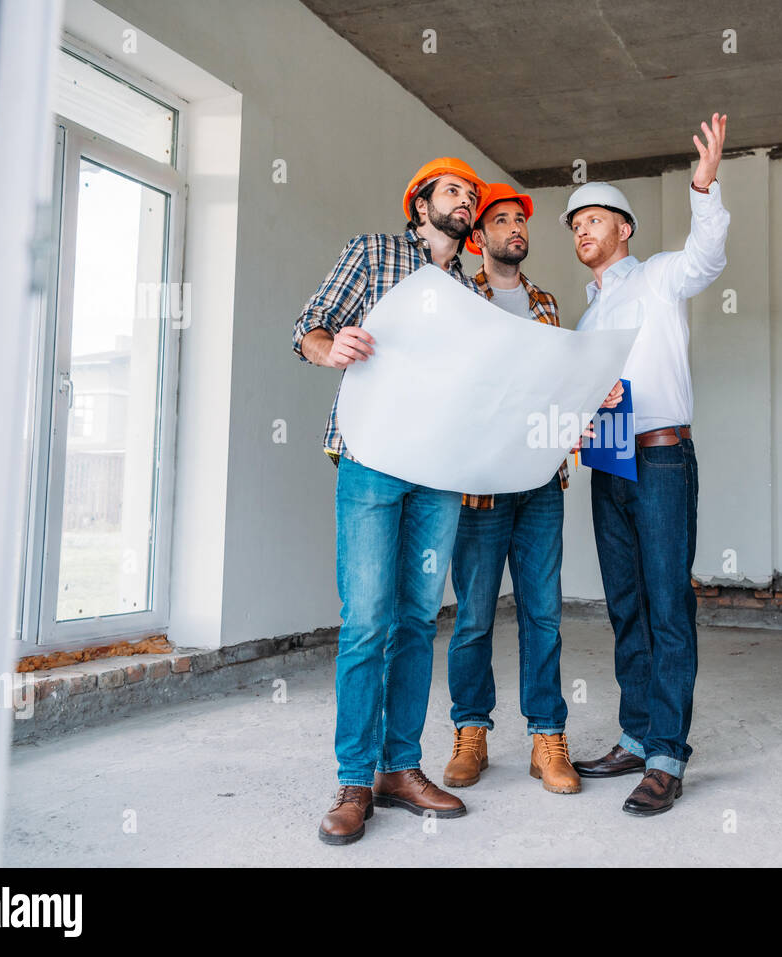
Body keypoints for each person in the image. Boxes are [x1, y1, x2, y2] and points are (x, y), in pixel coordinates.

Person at [293, 157, 488, 845]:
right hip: (371, 458)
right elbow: (309, 327)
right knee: (368, 619)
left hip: (436, 468)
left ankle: (399, 768)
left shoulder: (471, 291)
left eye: (472, 196)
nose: (466, 201)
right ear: (421, 203)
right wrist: (330, 346)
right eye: (454, 191)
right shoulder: (373, 254)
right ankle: (353, 779)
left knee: (415, 618)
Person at [565, 113, 730, 816]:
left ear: (623, 229)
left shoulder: (660, 277)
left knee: (668, 604)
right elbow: (577, 396)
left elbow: (708, 256)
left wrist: (704, 185)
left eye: (595, 220)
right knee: (626, 605)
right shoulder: (586, 319)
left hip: (662, 458)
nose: (583, 232)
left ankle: (667, 753)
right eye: (575, 225)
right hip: (609, 466)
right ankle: (635, 735)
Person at [442, 183, 607, 796]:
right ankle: (470, 730)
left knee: (543, 614)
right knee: (474, 620)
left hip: (541, 483)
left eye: (521, 220)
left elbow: (558, 386)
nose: (516, 228)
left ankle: (547, 736)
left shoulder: (545, 302)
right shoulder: (460, 298)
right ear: (478, 237)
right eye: (502, 221)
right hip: (480, 485)